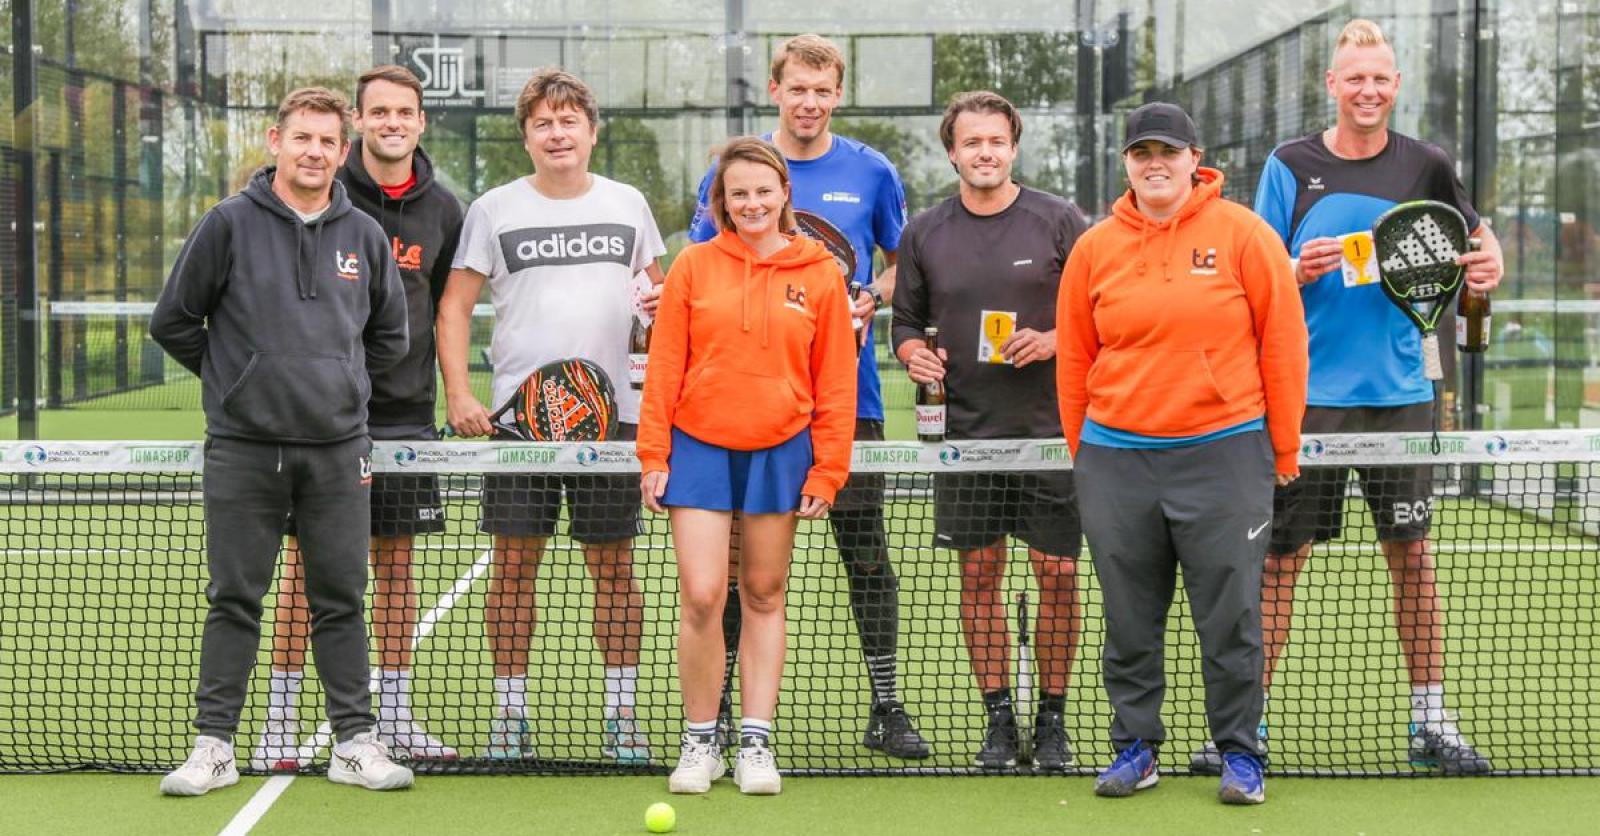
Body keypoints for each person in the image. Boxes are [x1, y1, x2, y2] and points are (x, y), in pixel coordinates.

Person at [1192, 18, 1504, 776]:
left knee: (1413, 558)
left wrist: (1488, 258)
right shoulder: (1289, 165)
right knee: (1278, 564)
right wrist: (1296, 271)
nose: (1368, 90)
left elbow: (1476, 239)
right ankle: (1244, 730)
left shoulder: (1426, 164)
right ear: (1332, 86)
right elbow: (1246, 273)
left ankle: (1430, 722)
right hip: (1304, 399)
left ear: (1395, 87)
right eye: (1354, 78)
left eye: (1381, 78)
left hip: (1401, 396)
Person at [150, 87, 414, 795]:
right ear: (276, 140)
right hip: (243, 448)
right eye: (303, 137)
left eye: (328, 142)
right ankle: (215, 748)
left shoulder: (363, 236)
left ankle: (355, 744)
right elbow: (174, 320)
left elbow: (390, 336)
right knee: (235, 597)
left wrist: (340, 383)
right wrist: (238, 380)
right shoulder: (228, 223)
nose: (315, 151)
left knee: (341, 597)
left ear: (342, 150)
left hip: (337, 448)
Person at [1056, 102, 1308, 805]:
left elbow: (1283, 345)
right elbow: (1074, 357)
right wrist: (1088, 452)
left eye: (1168, 151)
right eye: (1142, 153)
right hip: (1116, 459)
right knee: (1129, 618)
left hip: (1225, 454)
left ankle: (1240, 754)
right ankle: (1136, 748)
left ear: (1195, 158)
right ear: (1127, 163)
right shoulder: (1094, 247)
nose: (1155, 163)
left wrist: (1281, 443)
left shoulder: (1244, 236)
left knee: (1230, 616)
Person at [687, 32, 928, 760]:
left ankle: (887, 706)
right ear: (777, 89)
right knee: (732, 574)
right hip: (741, 415)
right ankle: (721, 711)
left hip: (848, 402)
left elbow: (902, 266)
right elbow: (705, 267)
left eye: (823, 90)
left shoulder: (873, 171)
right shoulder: (737, 170)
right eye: (798, 88)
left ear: (838, 94)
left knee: (866, 554)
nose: (810, 102)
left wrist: (865, 300)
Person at [437, 69, 666, 764]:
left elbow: (662, 304)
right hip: (519, 424)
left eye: (569, 120)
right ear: (527, 137)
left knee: (615, 570)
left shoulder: (628, 205)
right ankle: (510, 716)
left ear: (592, 131)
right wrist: (460, 395)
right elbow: (452, 308)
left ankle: (622, 714)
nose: (558, 132)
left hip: (616, 423)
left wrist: (661, 378)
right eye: (543, 122)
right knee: (512, 570)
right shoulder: (494, 209)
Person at [253, 65, 464, 770]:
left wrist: (453, 392)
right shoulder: (323, 198)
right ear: (359, 127)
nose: (392, 122)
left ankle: (394, 718)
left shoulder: (446, 210)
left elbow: (444, 310)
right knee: (304, 571)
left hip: (404, 416)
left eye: (405, 111)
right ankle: (279, 723)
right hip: (318, 418)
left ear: (421, 121)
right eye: (379, 112)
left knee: (395, 568)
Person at [640, 136, 858, 796]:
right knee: (704, 595)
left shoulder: (821, 274)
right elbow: (665, 367)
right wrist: (653, 454)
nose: (753, 203)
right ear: (722, 202)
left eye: (764, 191)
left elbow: (836, 384)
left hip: (782, 450)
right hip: (698, 447)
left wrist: (828, 471)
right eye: (739, 194)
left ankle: (756, 743)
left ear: (785, 194)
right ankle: (701, 742)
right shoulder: (692, 267)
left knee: (763, 593)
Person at [892, 91, 1088, 771]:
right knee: (979, 577)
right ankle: (1000, 722)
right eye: (971, 142)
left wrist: (1059, 339)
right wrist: (912, 352)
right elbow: (906, 325)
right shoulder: (924, 232)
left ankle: (1054, 722)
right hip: (964, 438)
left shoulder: (1060, 220)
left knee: (1058, 576)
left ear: (1013, 147)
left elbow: (1102, 309)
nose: (984, 153)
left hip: (1050, 437)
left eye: (996, 142)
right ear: (953, 152)